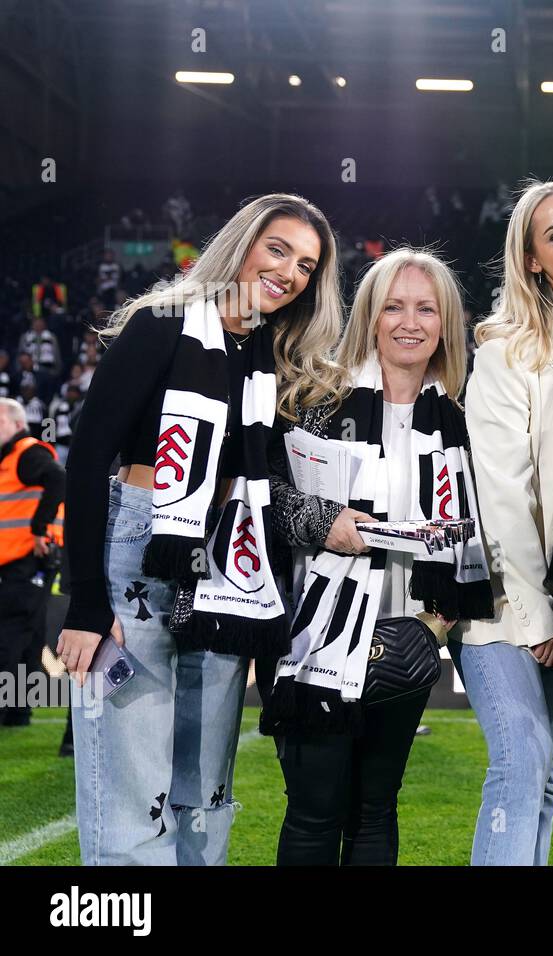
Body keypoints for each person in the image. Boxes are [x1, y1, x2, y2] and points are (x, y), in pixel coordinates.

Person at [58, 193, 346, 865]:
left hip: (226, 569)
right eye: (278, 249)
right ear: (242, 244)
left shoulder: (272, 356)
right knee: (133, 792)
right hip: (135, 551)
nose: (290, 273)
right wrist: (87, 600)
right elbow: (90, 453)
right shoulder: (162, 324)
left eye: (306, 265)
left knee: (204, 795)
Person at [260, 247, 492, 865]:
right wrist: (323, 521)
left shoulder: (466, 415)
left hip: (408, 643)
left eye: (426, 308)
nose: (409, 322)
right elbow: (262, 497)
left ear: (446, 322)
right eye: (394, 307)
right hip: (314, 639)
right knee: (313, 812)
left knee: (374, 810)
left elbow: (481, 527)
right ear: (370, 314)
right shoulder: (315, 395)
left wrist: (435, 625)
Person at [457, 180, 553, 864]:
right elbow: (502, 496)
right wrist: (540, 615)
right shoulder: (507, 351)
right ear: (530, 261)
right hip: (507, 608)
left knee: (541, 781)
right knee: (520, 770)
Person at [0, 398, 65, 726]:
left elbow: (58, 479)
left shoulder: (27, 453)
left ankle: (10, 707)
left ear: (16, 423)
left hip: (28, 557)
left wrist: (40, 529)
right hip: (22, 558)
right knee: (27, 633)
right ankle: (18, 710)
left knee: (9, 632)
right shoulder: (12, 457)